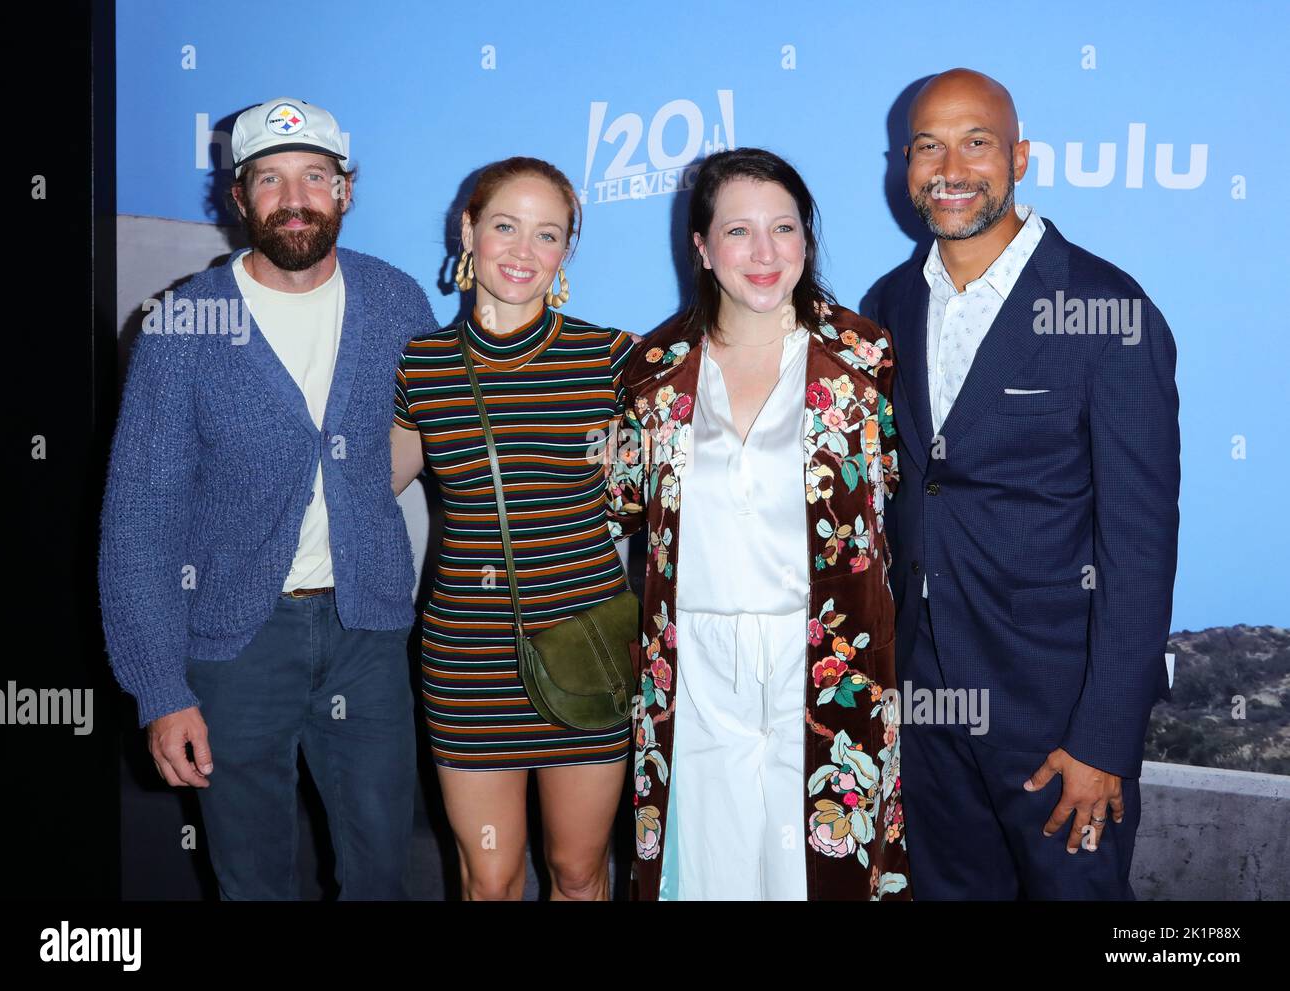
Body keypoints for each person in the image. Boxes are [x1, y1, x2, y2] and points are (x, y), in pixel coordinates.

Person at [99, 97, 438, 899]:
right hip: (235, 644)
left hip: (366, 635)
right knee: (252, 882)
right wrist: (161, 690)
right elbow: (139, 521)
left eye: (315, 176)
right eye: (270, 178)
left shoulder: (396, 302)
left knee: (382, 875)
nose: (295, 198)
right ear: (238, 197)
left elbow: (434, 433)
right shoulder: (183, 326)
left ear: (345, 190)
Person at [873, 68, 1180, 899]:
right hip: (926, 707)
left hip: (1057, 714)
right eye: (928, 146)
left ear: (1020, 158)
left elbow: (1140, 543)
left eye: (976, 142)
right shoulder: (891, 303)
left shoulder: (1107, 309)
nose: (951, 168)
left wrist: (1104, 738)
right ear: (906, 166)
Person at [607, 147, 911, 900]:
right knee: (701, 873)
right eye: (738, 231)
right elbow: (621, 504)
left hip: (829, 663)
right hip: (693, 668)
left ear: (807, 238)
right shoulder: (650, 372)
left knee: (821, 873)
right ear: (703, 247)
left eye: (784, 227)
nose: (766, 253)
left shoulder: (865, 360)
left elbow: (904, 498)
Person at [391, 157, 636, 900]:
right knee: (490, 878)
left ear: (566, 252)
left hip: (587, 648)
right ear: (468, 231)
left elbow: (652, 497)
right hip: (469, 660)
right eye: (505, 226)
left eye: (548, 234)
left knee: (579, 872)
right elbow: (366, 492)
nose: (524, 251)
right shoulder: (423, 365)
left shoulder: (613, 360)